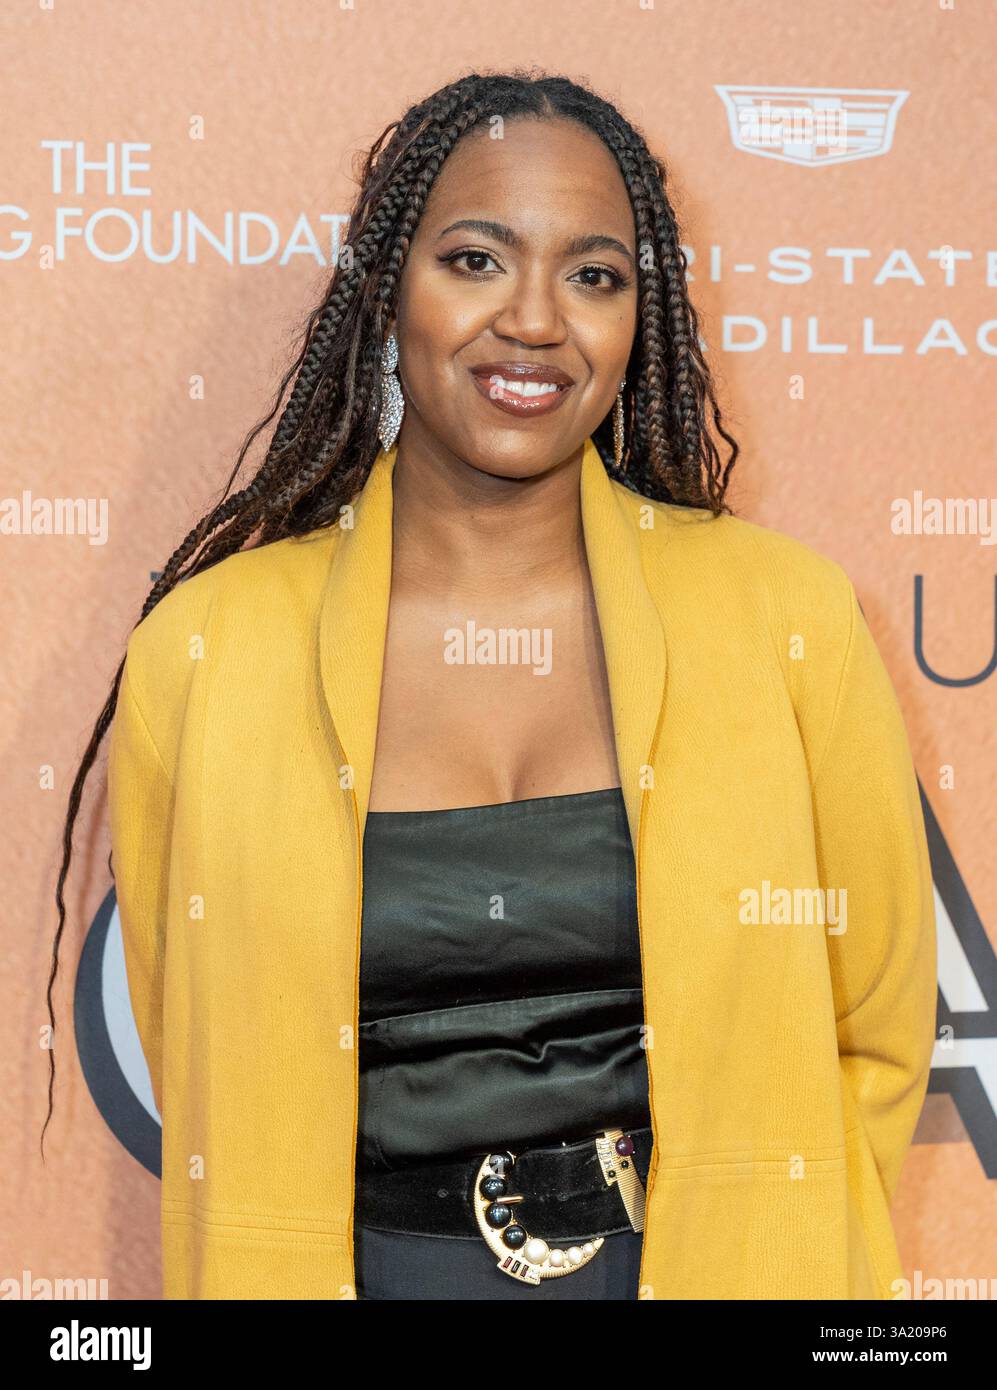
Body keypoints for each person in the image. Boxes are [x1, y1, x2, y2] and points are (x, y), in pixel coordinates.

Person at [46, 70, 937, 1301]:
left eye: (594, 275)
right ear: (385, 293)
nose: (534, 320)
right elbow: (193, 1037)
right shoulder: (209, 653)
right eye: (475, 260)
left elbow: (880, 1028)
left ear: (643, 317)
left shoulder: (783, 618)